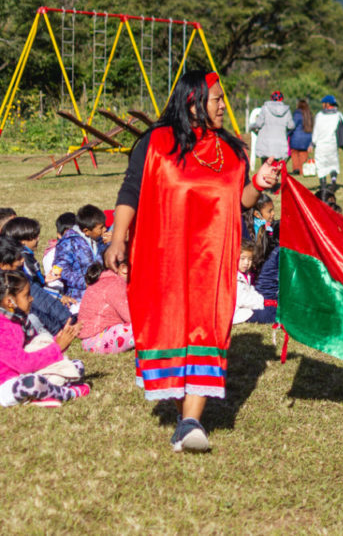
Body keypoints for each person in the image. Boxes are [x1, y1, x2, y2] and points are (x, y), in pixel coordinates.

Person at [106, 69, 282, 453]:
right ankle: (178, 402)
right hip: (163, 255)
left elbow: (239, 201)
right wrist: (118, 238)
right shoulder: (156, 142)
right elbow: (131, 190)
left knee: (207, 327)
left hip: (212, 260)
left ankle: (190, 422)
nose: (223, 106)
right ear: (193, 102)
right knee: (169, 324)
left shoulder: (232, 150)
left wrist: (259, 183)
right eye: (217, 99)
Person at [0, 271, 88, 407]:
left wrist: (61, 339)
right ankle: (68, 392)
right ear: (9, 301)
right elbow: (23, 364)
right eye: (26, 295)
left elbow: (35, 349)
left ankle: (43, 393)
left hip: (24, 374)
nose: (31, 299)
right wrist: (57, 347)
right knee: (31, 383)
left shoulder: (19, 319)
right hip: (6, 384)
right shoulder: (3, 328)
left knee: (77, 366)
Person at [0, 234, 71, 335]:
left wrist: (67, 319)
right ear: (4, 265)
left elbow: (42, 299)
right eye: (18, 258)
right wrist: (58, 330)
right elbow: (33, 311)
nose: (23, 260)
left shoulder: (17, 274)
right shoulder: (10, 284)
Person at [53, 204, 106, 303]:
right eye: (101, 228)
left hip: (101, 293)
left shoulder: (99, 240)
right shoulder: (69, 242)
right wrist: (84, 282)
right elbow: (60, 269)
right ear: (86, 231)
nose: (105, 230)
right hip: (78, 298)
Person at [78, 262, 134, 354]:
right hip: (97, 341)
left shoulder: (102, 281)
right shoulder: (116, 283)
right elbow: (130, 317)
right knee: (141, 327)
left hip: (88, 340)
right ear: (123, 268)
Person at [310, 95, 343, 188]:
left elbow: (316, 131)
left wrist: (312, 143)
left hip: (320, 145)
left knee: (321, 165)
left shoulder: (319, 115)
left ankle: (323, 185)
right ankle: (333, 181)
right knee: (333, 163)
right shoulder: (338, 115)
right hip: (332, 144)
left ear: (327, 104)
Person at [250, 90, 294, 162]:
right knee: (274, 166)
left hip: (265, 143)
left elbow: (258, 124)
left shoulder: (265, 108)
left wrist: (251, 126)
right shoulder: (286, 111)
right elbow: (291, 126)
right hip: (280, 143)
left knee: (265, 166)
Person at [234, 241, 263, 325]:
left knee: (272, 309)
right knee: (269, 314)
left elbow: (250, 290)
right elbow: (242, 299)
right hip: (238, 314)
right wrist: (259, 302)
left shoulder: (246, 274)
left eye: (250, 259)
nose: (246, 263)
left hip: (247, 309)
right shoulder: (235, 277)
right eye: (242, 259)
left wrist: (259, 298)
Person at [288, 99, 314, 175]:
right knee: (303, 155)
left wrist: (288, 134)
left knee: (295, 154)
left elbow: (292, 126)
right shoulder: (309, 114)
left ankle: (296, 170)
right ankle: (302, 171)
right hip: (307, 139)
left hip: (296, 138)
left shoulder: (297, 114)